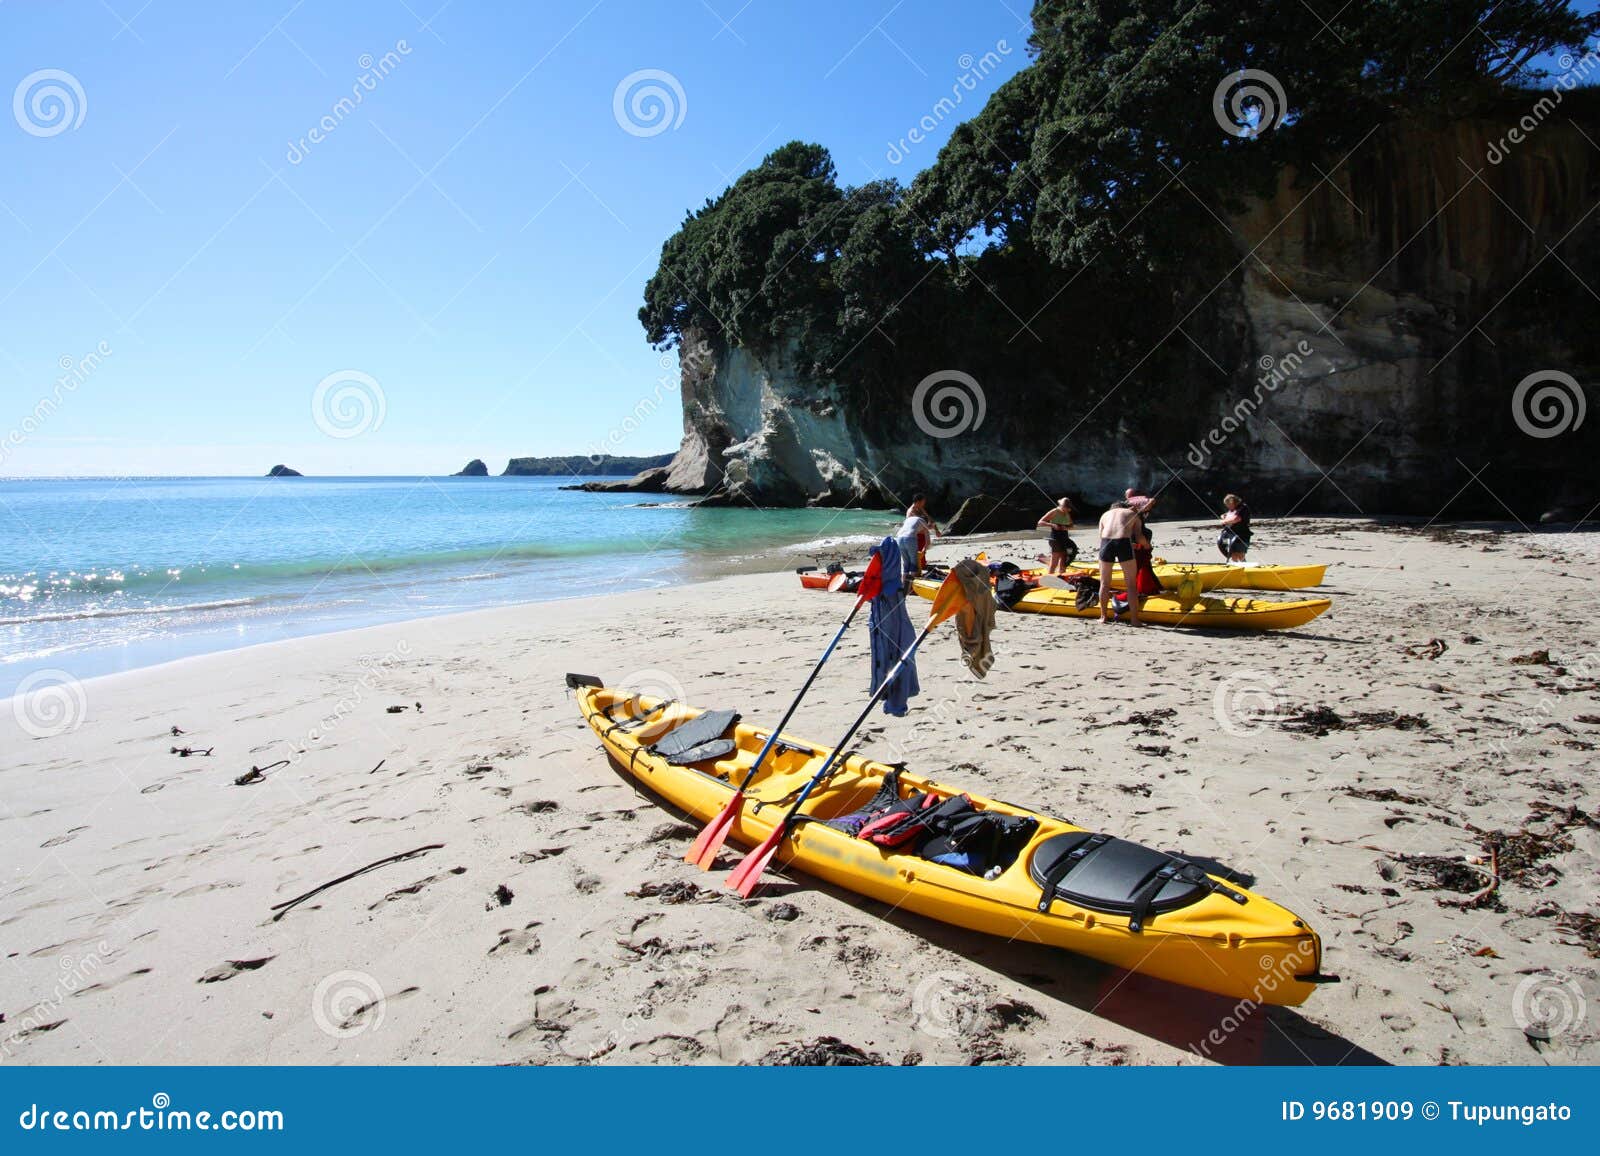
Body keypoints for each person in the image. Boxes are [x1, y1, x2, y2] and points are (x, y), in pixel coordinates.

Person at [1096, 501, 1144, 626]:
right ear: (1124, 507)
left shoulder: (1104, 514)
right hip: (1123, 542)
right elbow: (1139, 537)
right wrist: (1147, 546)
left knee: (1105, 583)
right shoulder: (1131, 513)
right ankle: (1134, 620)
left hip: (1106, 543)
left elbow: (1101, 536)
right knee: (1131, 585)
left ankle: (1103, 617)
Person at [895, 494, 940, 577]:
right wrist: (931, 527)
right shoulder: (911, 512)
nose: (924, 504)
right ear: (918, 502)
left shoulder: (920, 510)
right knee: (914, 562)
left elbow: (929, 519)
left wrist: (936, 530)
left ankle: (905, 584)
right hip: (913, 537)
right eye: (923, 502)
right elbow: (928, 538)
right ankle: (913, 581)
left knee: (907, 563)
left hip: (900, 537)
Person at [1035, 497, 1077, 573]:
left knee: (1063, 561)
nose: (1068, 510)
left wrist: (1065, 527)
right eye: (1066, 508)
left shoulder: (1067, 513)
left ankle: (1062, 576)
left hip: (1064, 537)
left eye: (1069, 508)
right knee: (1054, 561)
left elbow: (1072, 526)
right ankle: (1050, 577)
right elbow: (1040, 522)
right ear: (1062, 506)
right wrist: (1052, 525)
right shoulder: (1055, 511)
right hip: (1055, 538)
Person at [1218, 493, 1252, 562]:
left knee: (1240, 554)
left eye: (1228, 504)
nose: (1227, 507)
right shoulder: (1232, 509)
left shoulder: (1243, 508)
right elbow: (1227, 514)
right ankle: (1234, 565)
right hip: (1229, 534)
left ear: (1232, 502)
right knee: (1232, 553)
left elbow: (1236, 519)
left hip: (1241, 534)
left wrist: (1224, 521)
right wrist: (1223, 516)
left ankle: (1243, 567)